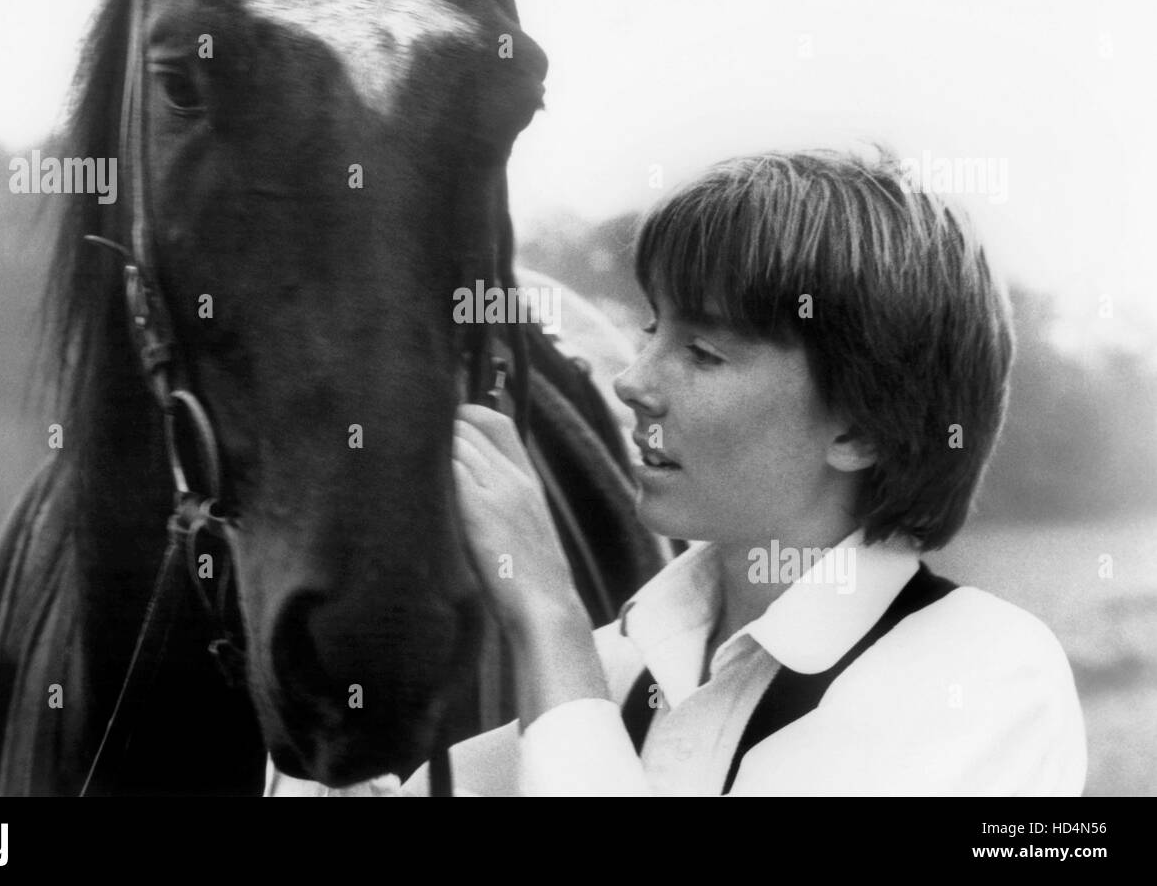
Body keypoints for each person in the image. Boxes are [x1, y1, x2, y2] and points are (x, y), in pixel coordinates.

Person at [270, 147, 1087, 797]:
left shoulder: (985, 678)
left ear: (861, 428)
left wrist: (547, 617)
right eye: (652, 327)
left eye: (702, 351)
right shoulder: (626, 665)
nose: (633, 380)